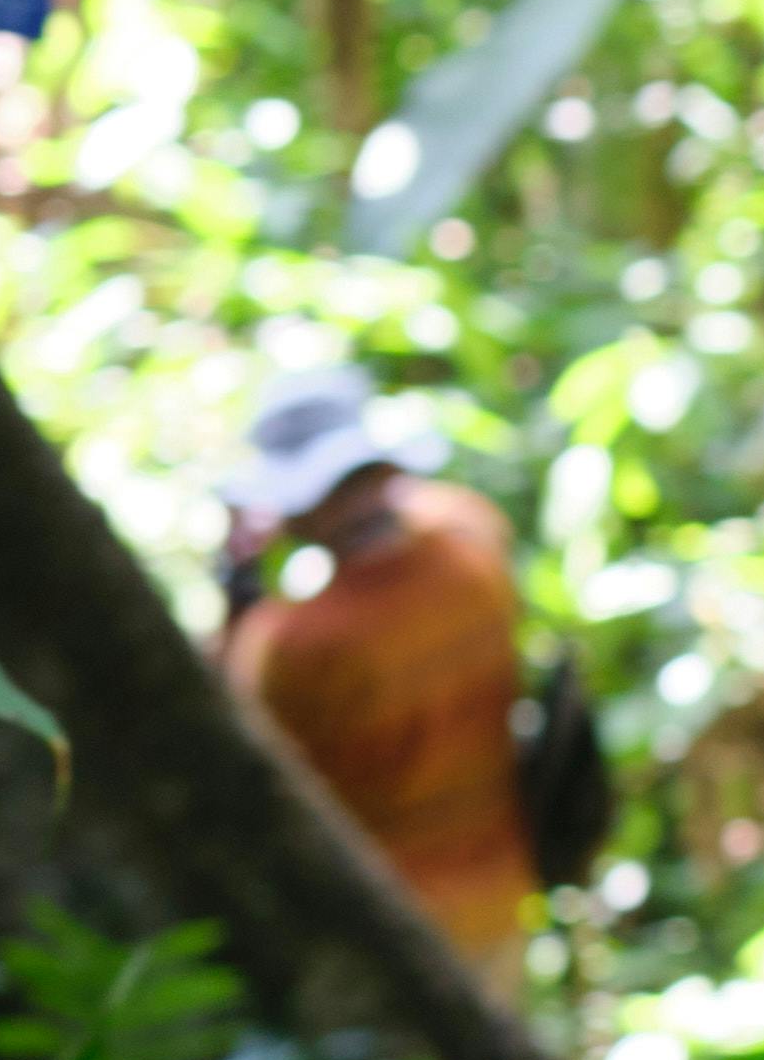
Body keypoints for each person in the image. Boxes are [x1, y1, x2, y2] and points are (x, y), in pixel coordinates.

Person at [218, 366, 543, 968]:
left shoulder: (291, 642)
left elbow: (240, 738)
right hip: (500, 892)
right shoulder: (473, 544)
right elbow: (429, 506)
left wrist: (240, 580)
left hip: (386, 935)